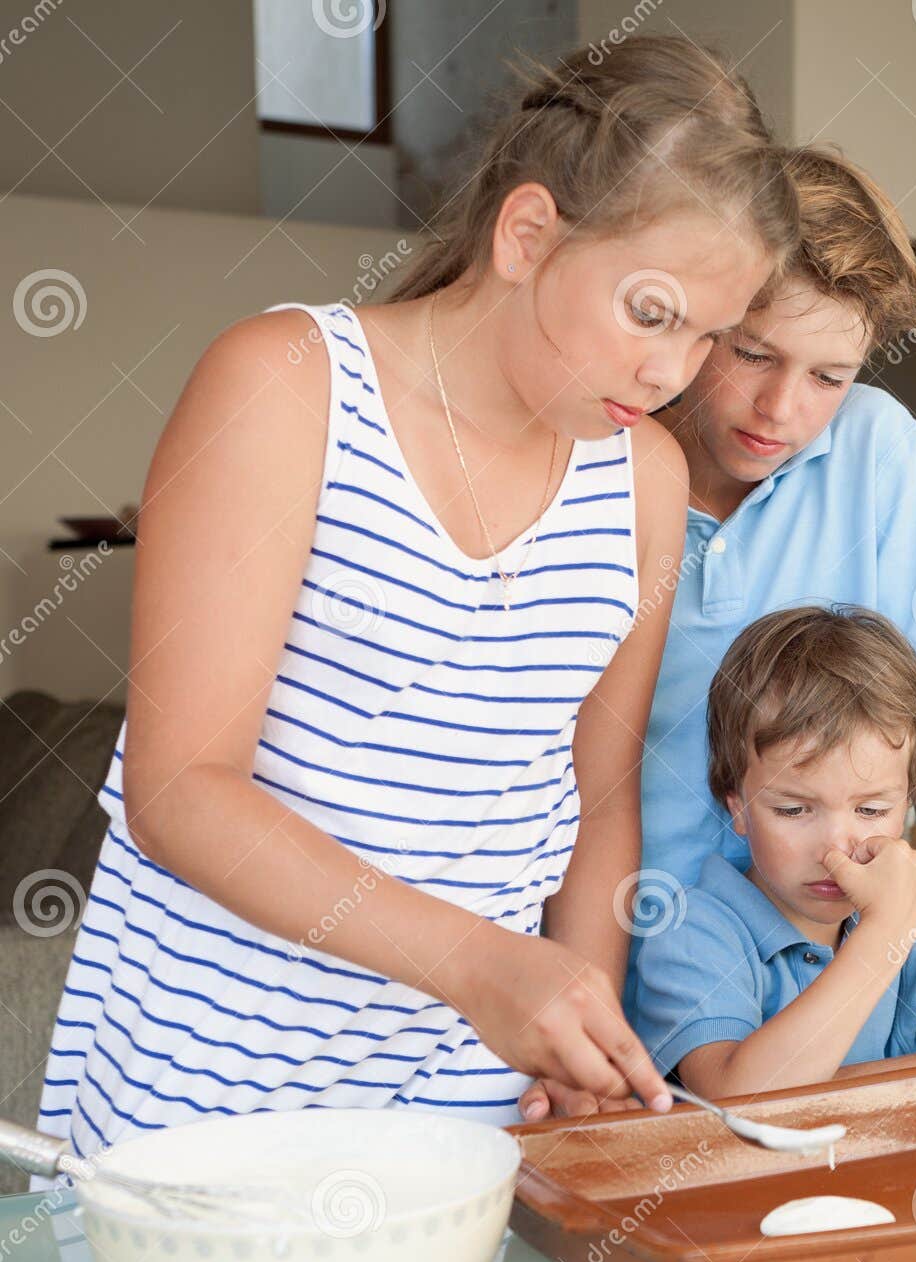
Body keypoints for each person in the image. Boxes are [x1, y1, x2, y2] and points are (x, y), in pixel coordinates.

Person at [33, 37, 798, 1158]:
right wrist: (487, 964)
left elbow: (598, 799)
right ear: (527, 235)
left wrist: (572, 1019)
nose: (669, 374)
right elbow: (180, 787)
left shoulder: (643, 480)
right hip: (214, 1077)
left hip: (470, 1093)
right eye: (650, 313)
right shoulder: (288, 389)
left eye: (706, 338)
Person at [524, 145, 916, 1123]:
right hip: (610, 965)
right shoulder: (596, 452)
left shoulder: (877, 448)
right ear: (704, 316)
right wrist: (568, 1015)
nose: (783, 411)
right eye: (754, 355)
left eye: (829, 375)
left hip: (815, 965)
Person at [633, 606, 916, 1094]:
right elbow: (738, 1098)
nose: (836, 848)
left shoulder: (912, 933)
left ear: (908, 800)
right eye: (794, 810)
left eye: (872, 810)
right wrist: (881, 938)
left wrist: (822, 1086)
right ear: (738, 807)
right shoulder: (694, 931)